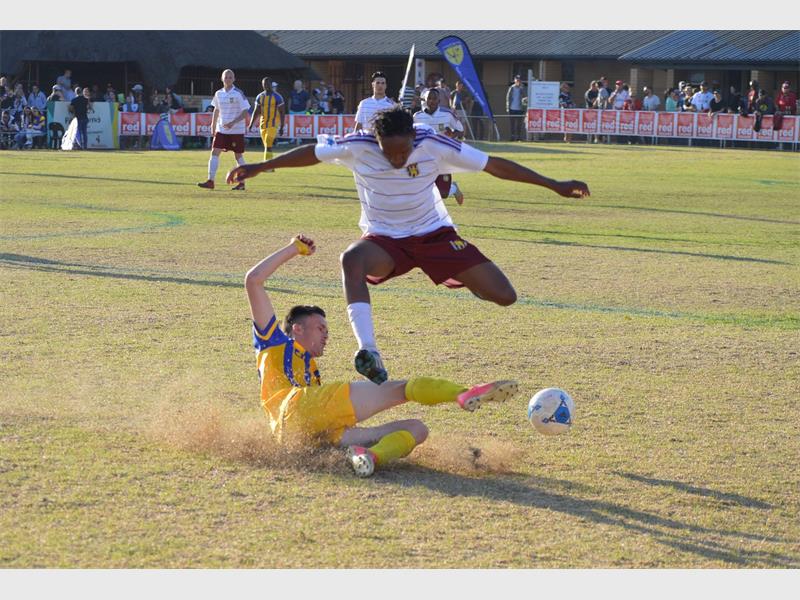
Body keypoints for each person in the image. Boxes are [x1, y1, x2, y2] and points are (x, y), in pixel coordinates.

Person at [226, 107, 590, 384]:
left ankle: (466, 282)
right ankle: (368, 350)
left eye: (403, 153)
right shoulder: (358, 146)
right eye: (389, 152)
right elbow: (309, 153)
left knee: (505, 295)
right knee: (351, 258)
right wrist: (259, 168)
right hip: (385, 240)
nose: (397, 159)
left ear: (414, 139)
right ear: (377, 141)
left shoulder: (433, 144)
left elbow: (494, 165)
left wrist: (553, 184)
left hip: (435, 234)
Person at [244, 233, 519, 477]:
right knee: (401, 389)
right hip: (297, 406)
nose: (326, 335)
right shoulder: (274, 343)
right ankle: (462, 393)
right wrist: (294, 249)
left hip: (295, 436)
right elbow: (253, 281)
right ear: (296, 328)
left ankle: (369, 457)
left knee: (417, 429)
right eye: (320, 328)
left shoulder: (311, 371)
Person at [197, 69, 250, 191]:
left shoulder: (238, 93)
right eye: (226, 77)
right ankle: (210, 181)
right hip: (221, 130)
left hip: (236, 130)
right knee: (214, 152)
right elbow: (216, 109)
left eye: (230, 77)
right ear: (222, 79)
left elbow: (245, 111)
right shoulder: (218, 93)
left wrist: (233, 123)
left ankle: (242, 183)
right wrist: (213, 125)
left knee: (238, 156)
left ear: (234, 79)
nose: (228, 79)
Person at [413, 88, 466, 204]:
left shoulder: (447, 115)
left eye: (434, 99)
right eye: (429, 98)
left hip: (443, 157)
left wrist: (451, 136)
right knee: (421, 190)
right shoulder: (417, 117)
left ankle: (453, 188)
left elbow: (461, 131)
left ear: (439, 100)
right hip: (424, 158)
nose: (431, 101)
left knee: (443, 193)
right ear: (425, 100)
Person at [249, 76, 285, 161]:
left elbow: (282, 112)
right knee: (266, 145)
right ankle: (270, 165)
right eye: (264, 84)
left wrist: (282, 126)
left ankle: (267, 165)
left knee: (268, 141)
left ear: (271, 85)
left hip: (273, 123)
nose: (266, 85)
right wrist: (251, 124)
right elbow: (256, 111)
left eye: (267, 84)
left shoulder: (277, 97)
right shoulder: (259, 97)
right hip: (263, 123)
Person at [505, 75, 527, 141]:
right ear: (514, 80)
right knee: (512, 124)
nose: (518, 81)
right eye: (516, 80)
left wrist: (524, 108)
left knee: (519, 124)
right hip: (512, 108)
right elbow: (508, 98)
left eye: (519, 80)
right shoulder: (511, 88)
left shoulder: (522, 88)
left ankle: (519, 137)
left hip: (520, 109)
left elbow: (525, 98)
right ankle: (512, 137)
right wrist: (508, 108)